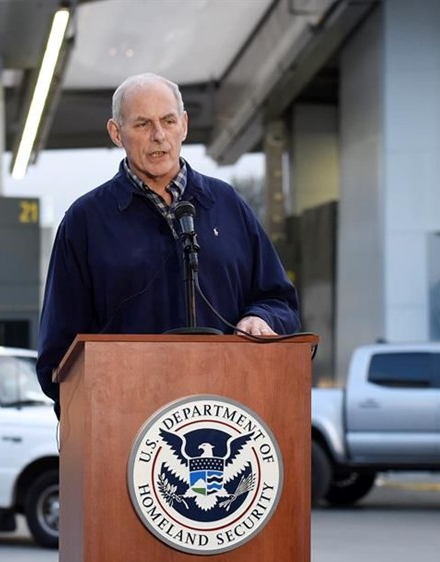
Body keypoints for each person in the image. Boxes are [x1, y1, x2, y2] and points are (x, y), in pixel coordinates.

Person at [36, 72, 300, 416]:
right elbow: (58, 355)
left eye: (168, 121)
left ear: (184, 125)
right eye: (143, 124)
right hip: (124, 423)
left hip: (227, 415)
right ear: (116, 133)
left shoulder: (228, 205)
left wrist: (260, 318)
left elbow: (280, 302)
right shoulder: (84, 222)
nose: (158, 135)